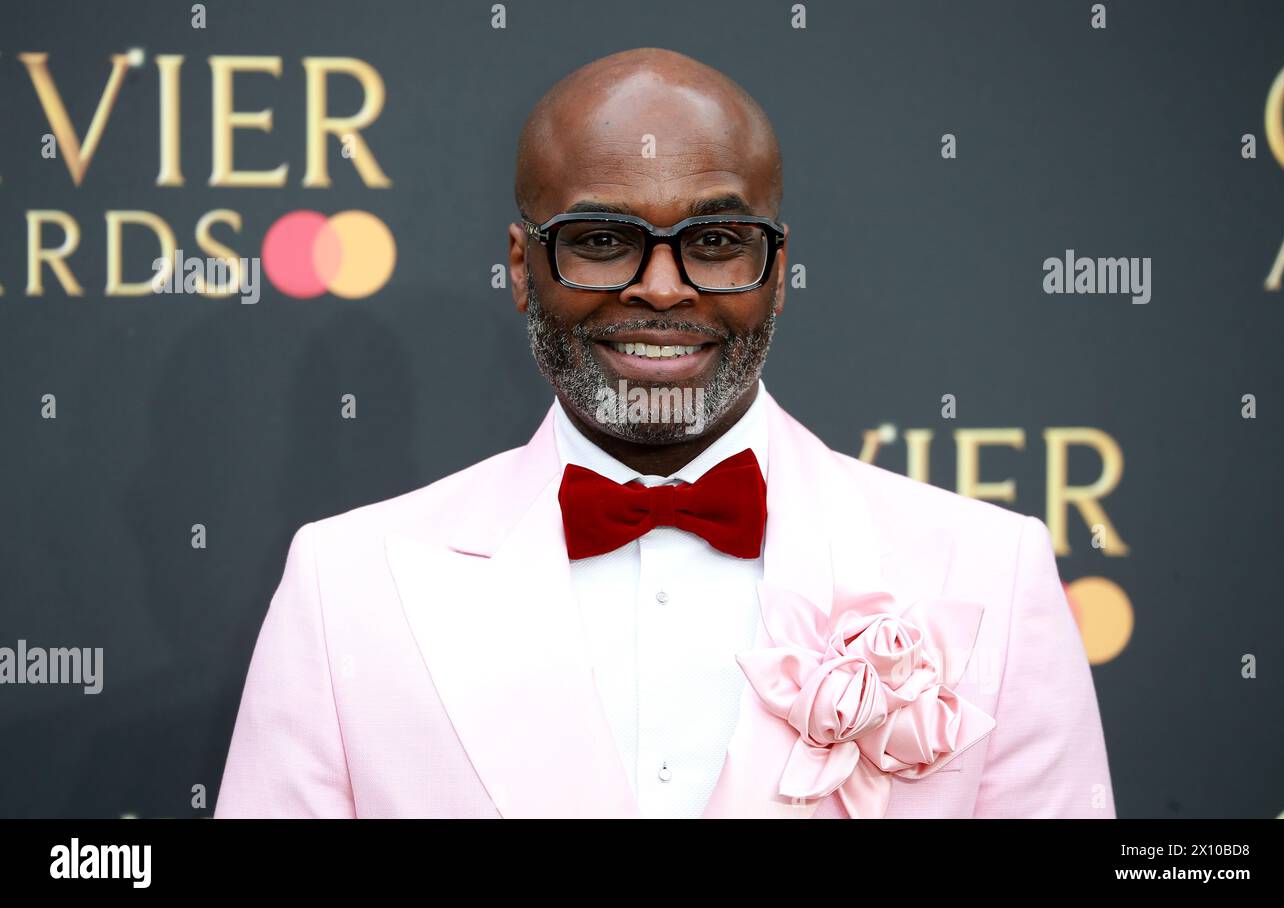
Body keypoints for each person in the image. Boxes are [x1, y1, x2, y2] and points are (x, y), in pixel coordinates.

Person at [213, 47, 1114, 819]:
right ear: (524, 270)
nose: (661, 287)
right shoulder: (347, 587)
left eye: (716, 240)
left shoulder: (989, 575)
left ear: (779, 268)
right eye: (602, 240)